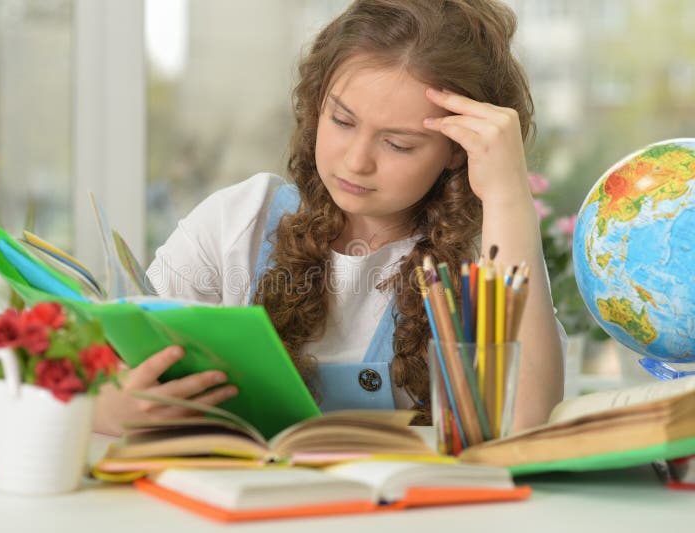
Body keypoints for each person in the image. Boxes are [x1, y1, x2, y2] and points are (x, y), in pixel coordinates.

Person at [94, 0, 565, 436]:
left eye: (398, 144)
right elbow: (117, 365)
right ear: (317, 103)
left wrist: (508, 197)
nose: (357, 161)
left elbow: (526, 425)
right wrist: (107, 407)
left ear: (455, 153)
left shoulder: (492, 250)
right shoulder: (238, 221)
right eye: (342, 121)